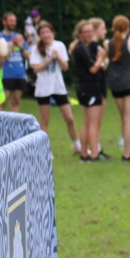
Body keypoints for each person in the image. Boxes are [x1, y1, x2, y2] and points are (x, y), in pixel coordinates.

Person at [30, 20, 81, 157]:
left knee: (69, 118)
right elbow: (35, 69)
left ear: (52, 32)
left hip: (58, 87)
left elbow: (65, 67)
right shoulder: (36, 49)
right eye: (42, 33)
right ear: (40, 35)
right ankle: (45, 151)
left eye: (47, 32)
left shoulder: (59, 45)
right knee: (45, 120)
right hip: (43, 88)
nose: (46, 35)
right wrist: (47, 60)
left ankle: (77, 146)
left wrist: (57, 57)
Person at [70, 20, 108, 162]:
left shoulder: (88, 47)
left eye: (91, 31)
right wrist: (101, 58)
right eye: (86, 32)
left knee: (87, 122)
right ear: (79, 34)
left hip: (86, 88)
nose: (89, 34)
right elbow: (93, 69)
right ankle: (94, 154)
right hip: (89, 87)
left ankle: (84, 154)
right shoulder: (81, 48)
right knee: (92, 123)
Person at [106, 14, 130, 161]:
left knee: (123, 118)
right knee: (129, 119)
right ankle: (127, 153)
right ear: (128, 28)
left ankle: (129, 148)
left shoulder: (107, 43)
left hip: (115, 84)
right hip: (129, 83)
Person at [0, 12, 28, 112]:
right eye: (11, 21)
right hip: (6, 75)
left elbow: (28, 57)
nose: (13, 23)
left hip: (20, 74)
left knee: (16, 103)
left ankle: (13, 127)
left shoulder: (19, 37)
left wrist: (21, 46)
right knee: (3, 102)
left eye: (15, 21)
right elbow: (0, 59)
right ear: (4, 22)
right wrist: (11, 46)